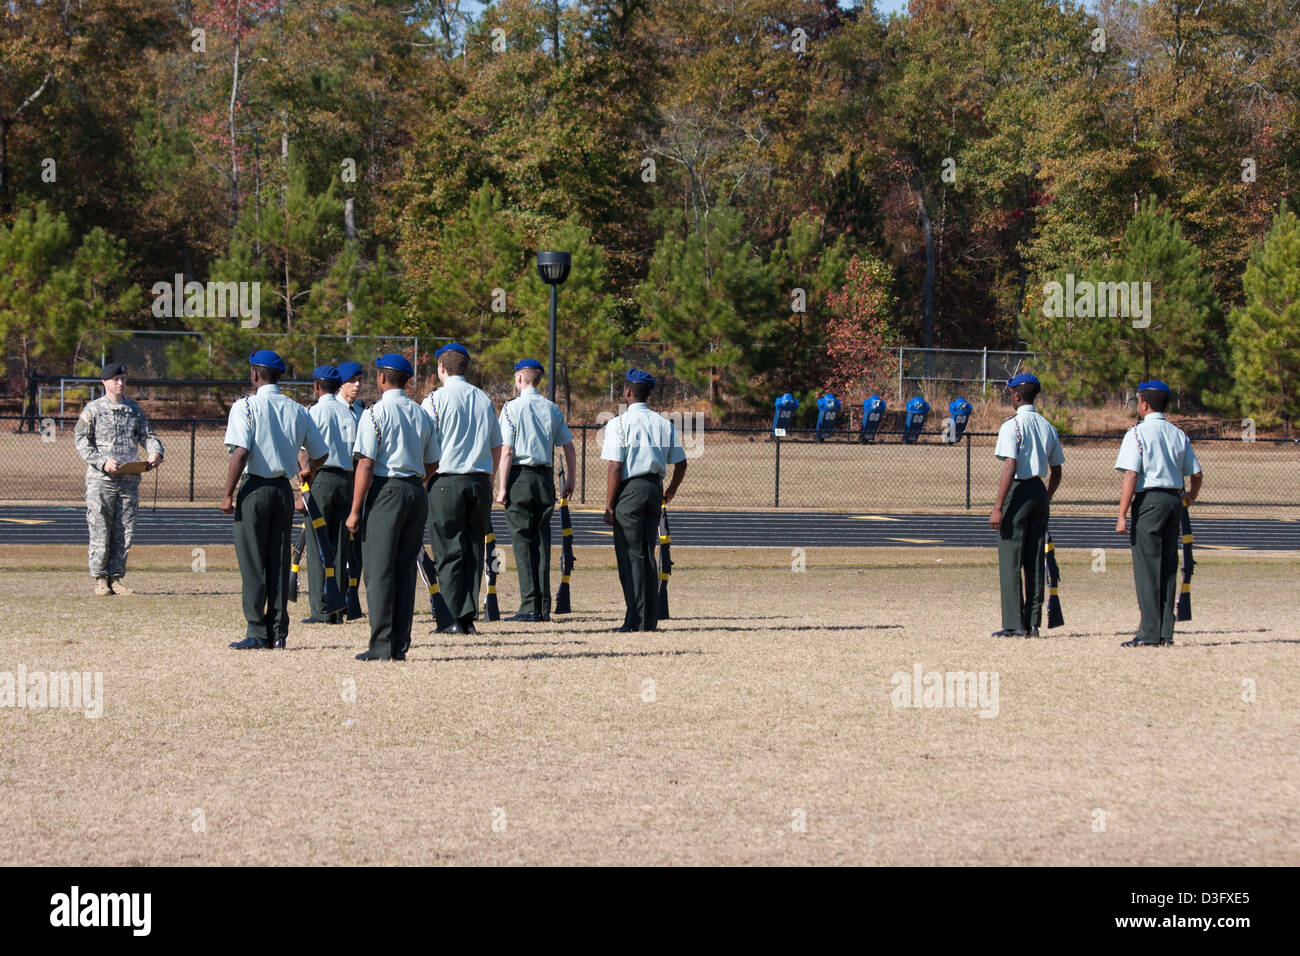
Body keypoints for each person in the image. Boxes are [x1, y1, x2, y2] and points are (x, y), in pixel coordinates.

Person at [221, 351, 328, 650]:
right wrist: (306, 474)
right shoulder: (297, 409)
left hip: (255, 487)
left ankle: (256, 631)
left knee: (254, 562)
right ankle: (279, 631)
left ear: (255, 374)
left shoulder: (246, 406)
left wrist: (228, 493)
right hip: (283, 489)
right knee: (279, 561)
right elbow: (321, 453)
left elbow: (241, 451)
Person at [346, 354, 439, 661]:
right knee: (404, 570)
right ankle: (400, 642)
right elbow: (433, 461)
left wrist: (355, 510)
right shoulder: (421, 414)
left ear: (383, 379)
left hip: (386, 490)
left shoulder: (375, 414)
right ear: (407, 381)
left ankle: (382, 644)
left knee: (379, 570)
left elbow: (366, 464)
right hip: (415, 488)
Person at [1114, 380, 1204, 647]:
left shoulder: (1137, 433)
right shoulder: (1178, 434)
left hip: (1149, 500)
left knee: (1146, 568)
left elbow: (1131, 473)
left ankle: (1149, 633)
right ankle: (1165, 630)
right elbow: (1196, 473)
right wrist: (1191, 496)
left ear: (1144, 404)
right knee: (1167, 566)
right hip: (1174, 500)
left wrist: (1122, 514)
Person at [421, 343, 502, 634]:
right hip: (479, 480)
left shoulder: (434, 400)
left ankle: (455, 615)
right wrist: (489, 477)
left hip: (446, 480)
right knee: (472, 548)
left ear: (441, 368)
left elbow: (425, 442)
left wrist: (425, 477)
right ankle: (468, 616)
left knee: (448, 550)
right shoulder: (484, 400)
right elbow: (497, 444)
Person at [600, 370, 687, 632]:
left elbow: (616, 466)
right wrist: (670, 489)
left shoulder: (620, 424)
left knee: (630, 555)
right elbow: (681, 462)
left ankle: (635, 619)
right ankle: (650, 618)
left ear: (627, 391)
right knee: (648, 553)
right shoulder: (663, 423)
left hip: (630, 489)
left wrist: (610, 504)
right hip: (654, 488)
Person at [494, 358, 577, 622]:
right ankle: (543, 605)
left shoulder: (510, 409)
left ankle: (529, 605)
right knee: (542, 541)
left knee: (522, 541)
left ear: (519, 379)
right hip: (544, 477)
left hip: (520, 476)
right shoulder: (552, 409)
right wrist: (571, 479)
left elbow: (506, 450)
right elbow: (569, 446)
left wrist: (502, 487)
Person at [73, 362, 164, 596]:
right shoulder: (92, 410)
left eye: (123, 379)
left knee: (125, 529)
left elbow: (148, 435)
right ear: (104, 382)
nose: (120, 383)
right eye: (115, 379)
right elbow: (82, 441)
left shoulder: (133, 409)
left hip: (129, 479)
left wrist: (155, 452)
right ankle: (100, 578)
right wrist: (102, 461)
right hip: (101, 480)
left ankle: (116, 577)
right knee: (100, 526)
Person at [989, 373, 1064, 638]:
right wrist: (1048, 496)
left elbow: (1010, 464)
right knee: (1034, 558)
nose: (1010, 397)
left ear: (1017, 396)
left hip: (1019, 490)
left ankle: (1013, 623)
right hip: (1039, 491)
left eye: (1011, 393)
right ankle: (1033, 623)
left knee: (1011, 558)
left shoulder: (1013, 425)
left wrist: (998, 506)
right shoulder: (1047, 425)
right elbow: (1056, 470)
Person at [299, 365, 356, 625]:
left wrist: (303, 486)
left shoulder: (314, 411)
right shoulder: (349, 413)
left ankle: (321, 609)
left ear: (317, 386)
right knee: (340, 546)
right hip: (346, 479)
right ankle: (337, 606)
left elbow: (305, 452)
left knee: (317, 544)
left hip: (320, 479)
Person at [338, 360, 366, 425]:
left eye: (360, 379)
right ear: (341, 382)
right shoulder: (332, 408)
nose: (357, 384)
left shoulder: (361, 408)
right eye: (352, 380)